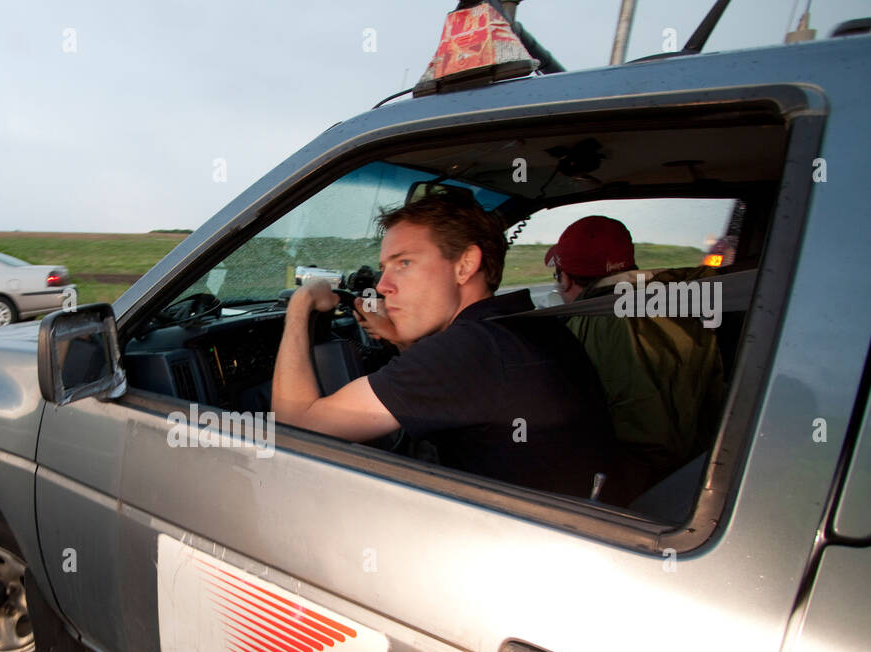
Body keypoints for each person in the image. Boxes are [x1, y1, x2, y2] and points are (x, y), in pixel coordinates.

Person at [272, 192, 612, 499]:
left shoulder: (466, 350)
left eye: (404, 263)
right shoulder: (527, 325)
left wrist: (301, 304)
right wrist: (404, 341)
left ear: (464, 265)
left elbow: (295, 426)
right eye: (383, 269)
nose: (384, 285)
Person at [546, 216, 725, 494]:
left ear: (566, 279)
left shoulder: (589, 325)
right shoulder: (681, 303)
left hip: (634, 489)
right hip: (699, 475)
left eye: (557, 276)